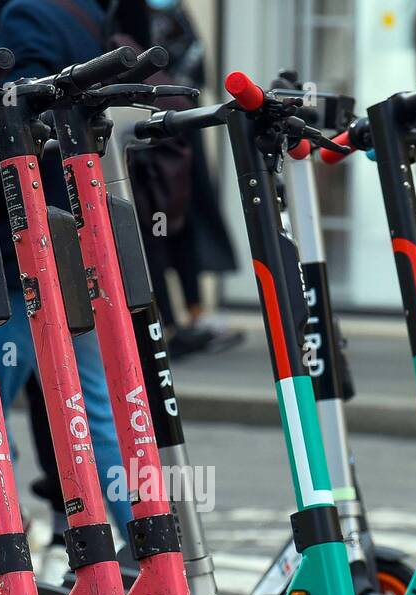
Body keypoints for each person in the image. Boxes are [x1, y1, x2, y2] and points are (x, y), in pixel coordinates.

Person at [0, 0, 137, 568]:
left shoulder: (24, 14)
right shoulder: (82, 12)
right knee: (95, 414)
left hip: (20, 246)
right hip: (75, 236)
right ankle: (149, 545)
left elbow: (13, 126)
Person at [136, 0, 240, 358]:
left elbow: (196, 57)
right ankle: (164, 320)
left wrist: (178, 94)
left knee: (183, 219)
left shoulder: (171, 10)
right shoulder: (130, 13)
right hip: (148, 133)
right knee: (154, 226)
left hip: (179, 126)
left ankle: (192, 316)